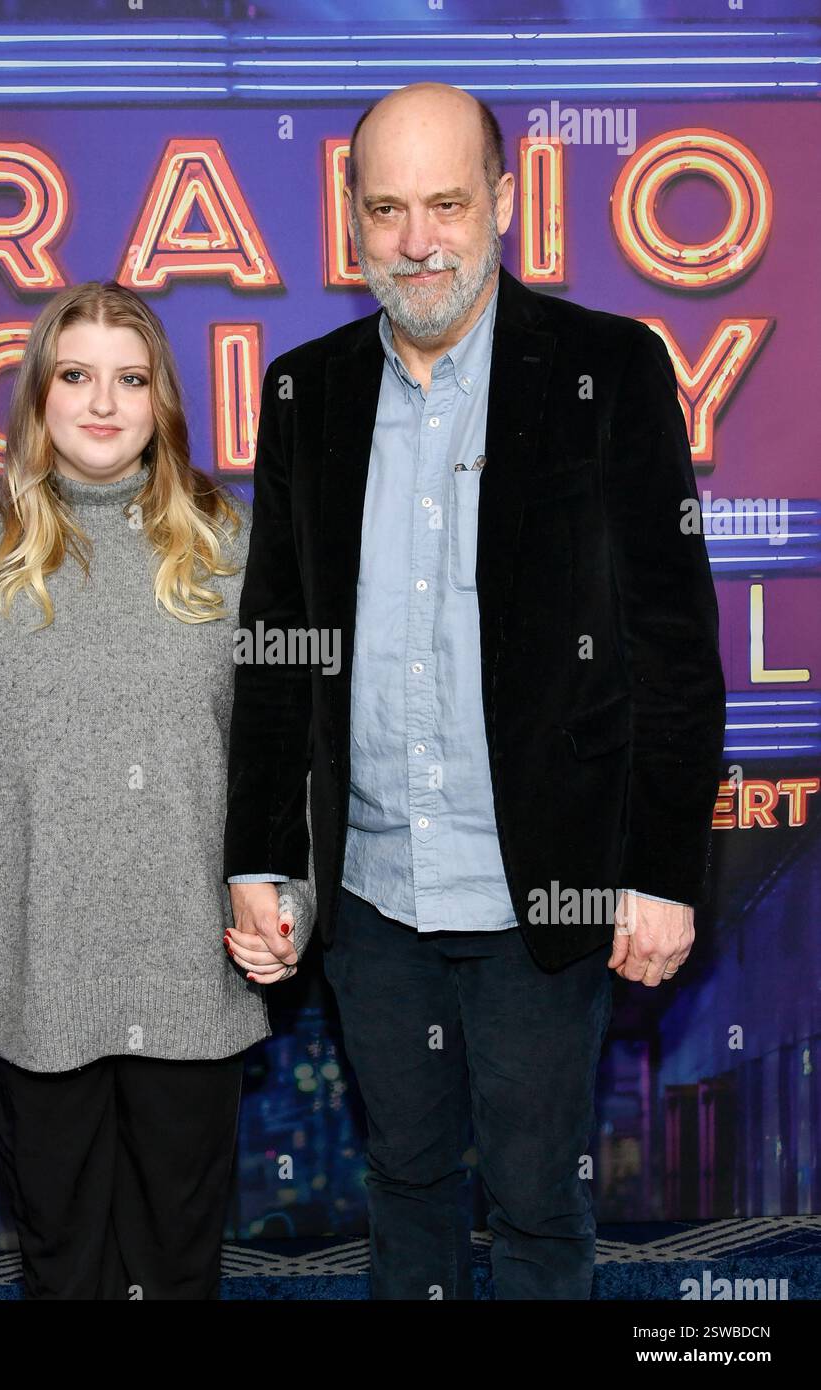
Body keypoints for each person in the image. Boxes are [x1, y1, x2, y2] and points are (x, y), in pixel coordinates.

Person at [223, 83, 726, 1300]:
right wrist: (258, 856)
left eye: (446, 202)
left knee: (541, 1197)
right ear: (351, 219)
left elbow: (672, 639)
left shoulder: (608, 368)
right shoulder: (309, 392)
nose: (417, 239)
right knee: (402, 1184)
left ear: (503, 201)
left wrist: (661, 868)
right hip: (372, 893)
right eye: (386, 208)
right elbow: (279, 643)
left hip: (542, 890)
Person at [0, 280, 315, 1300]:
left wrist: (291, 899)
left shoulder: (232, 544)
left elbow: (290, 748)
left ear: (163, 398)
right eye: (76, 376)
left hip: (193, 978)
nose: (103, 403)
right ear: (39, 394)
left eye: (131, 377)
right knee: (64, 1268)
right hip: (26, 976)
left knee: (176, 1267)